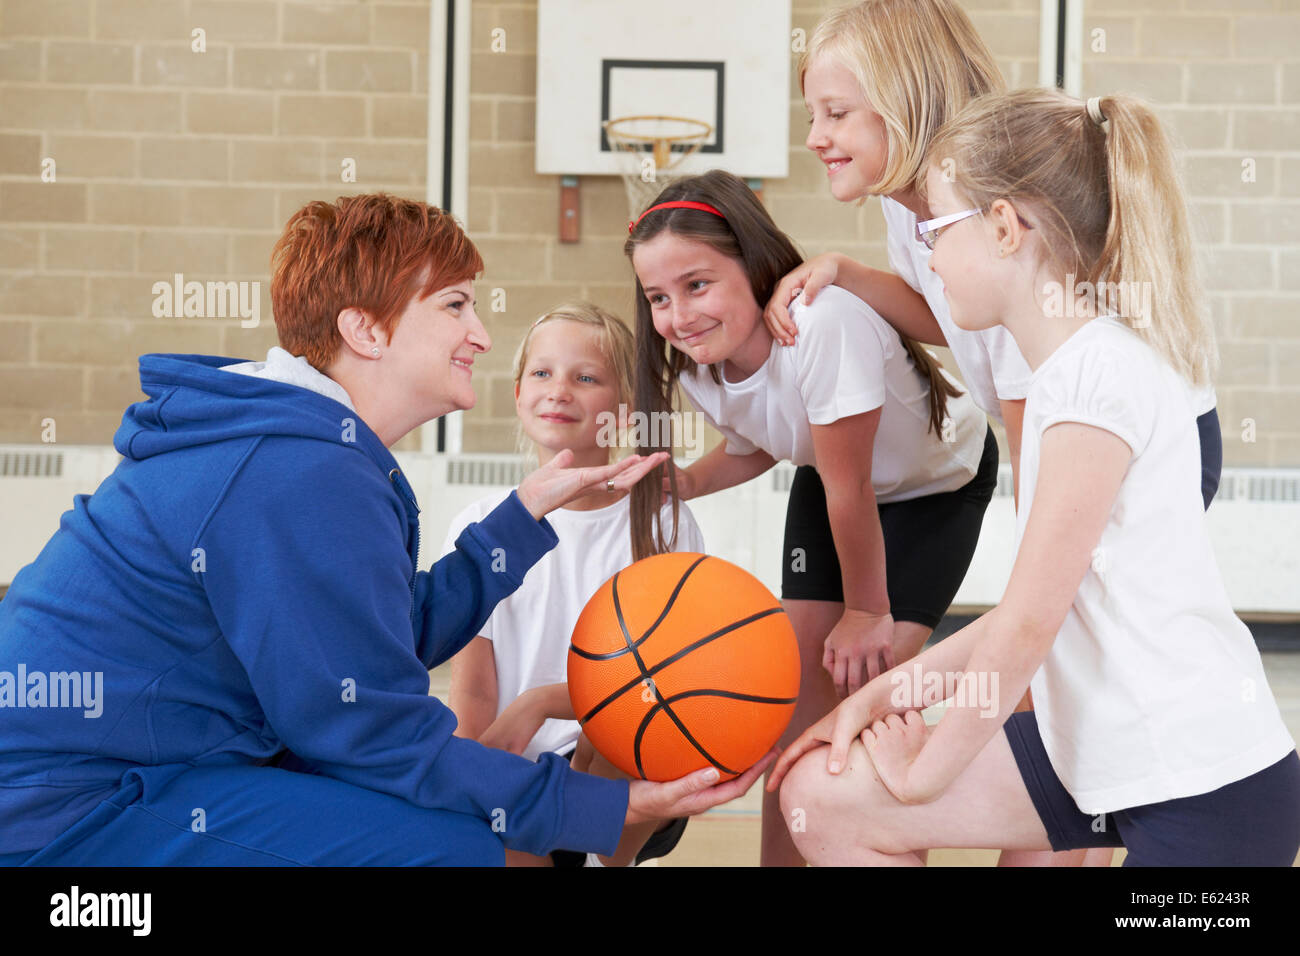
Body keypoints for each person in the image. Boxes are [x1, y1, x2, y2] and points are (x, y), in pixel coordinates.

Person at [0, 193, 769, 867]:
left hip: (144, 768)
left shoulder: (306, 447)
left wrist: (522, 514)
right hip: (68, 811)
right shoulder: (294, 470)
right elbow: (369, 731)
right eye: (455, 307)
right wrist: (607, 809)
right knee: (450, 851)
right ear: (365, 331)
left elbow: (378, 641)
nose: (480, 336)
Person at [768, 90, 1300, 867]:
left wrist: (923, 772)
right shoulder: (1066, 374)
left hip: (1206, 793)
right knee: (824, 793)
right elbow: (1034, 611)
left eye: (937, 229)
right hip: (1096, 760)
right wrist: (887, 696)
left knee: (883, 786)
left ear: (1005, 229)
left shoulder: (1098, 380)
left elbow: (1026, 627)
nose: (928, 255)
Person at [626, 169, 996, 866]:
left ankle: (876, 837)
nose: (678, 314)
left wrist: (866, 611)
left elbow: (850, 488)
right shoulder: (701, 366)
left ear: (755, 264)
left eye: (697, 284)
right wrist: (689, 481)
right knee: (796, 715)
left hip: (933, 495)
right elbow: (760, 444)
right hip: (827, 485)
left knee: (858, 706)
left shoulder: (819, 326)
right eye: (658, 298)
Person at [765, 0, 1222, 512]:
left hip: (1145, 441)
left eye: (837, 113)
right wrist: (846, 272)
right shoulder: (905, 202)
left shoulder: (987, 219)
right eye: (812, 115)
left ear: (906, 102)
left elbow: (1033, 421)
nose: (813, 138)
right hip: (1087, 435)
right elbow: (953, 322)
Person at [445, 302, 706, 867]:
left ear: (624, 410)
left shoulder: (662, 523)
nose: (558, 390)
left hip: (622, 760)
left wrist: (541, 702)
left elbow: (658, 682)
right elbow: (473, 690)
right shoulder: (479, 524)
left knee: (621, 721)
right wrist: (466, 779)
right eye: (542, 373)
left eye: (585, 378)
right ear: (517, 393)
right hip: (522, 772)